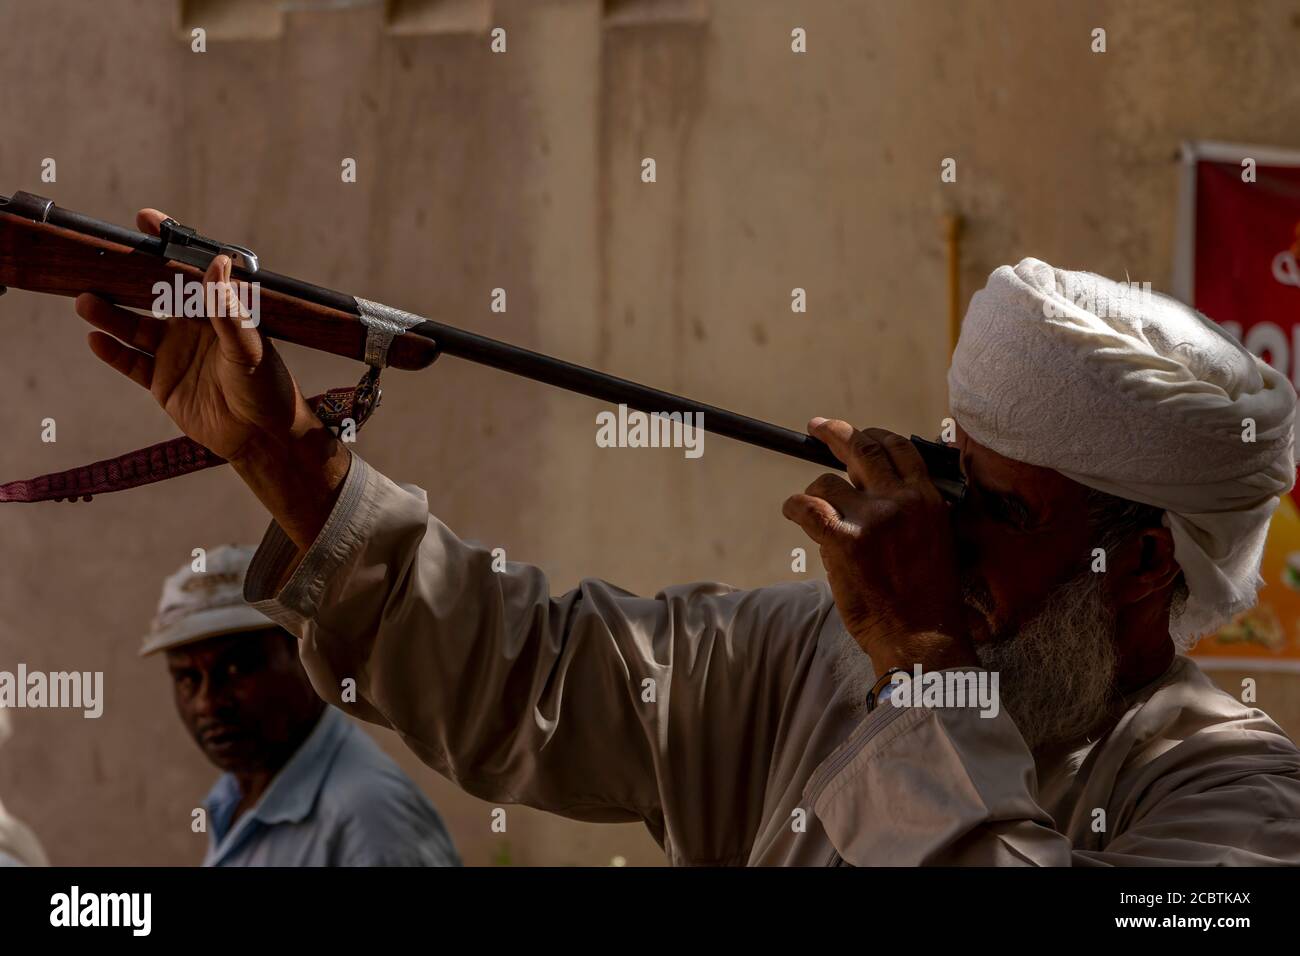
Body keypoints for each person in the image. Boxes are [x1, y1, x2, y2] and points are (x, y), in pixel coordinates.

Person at [75, 208, 1300, 865]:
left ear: (1140, 562)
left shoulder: (1231, 797)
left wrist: (927, 670)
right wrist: (289, 457)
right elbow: (534, 674)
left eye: (1002, 509)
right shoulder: (819, 665)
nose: (945, 535)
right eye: (950, 483)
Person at [143, 544, 460, 867]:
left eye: (237, 669)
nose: (207, 703)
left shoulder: (370, 819)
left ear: (304, 652)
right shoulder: (235, 797)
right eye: (187, 678)